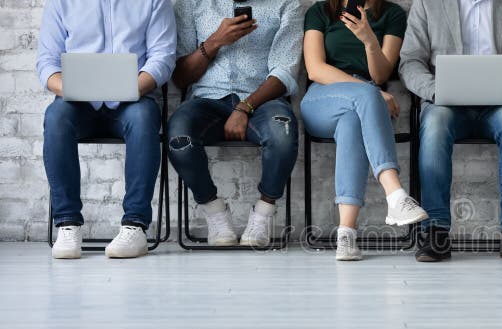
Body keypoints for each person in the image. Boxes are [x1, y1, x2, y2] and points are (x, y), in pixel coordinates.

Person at [399, 0, 502, 263]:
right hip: (448, 104)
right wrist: (436, 91)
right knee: (434, 124)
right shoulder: (427, 4)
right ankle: (436, 232)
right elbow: (410, 61)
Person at [36, 0, 176, 259]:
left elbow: (163, 57)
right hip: (77, 102)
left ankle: (135, 225)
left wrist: (130, 89)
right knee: (55, 117)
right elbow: (47, 62)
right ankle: (67, 223)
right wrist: (71, 89)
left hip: (133, 99)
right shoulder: (60, 2)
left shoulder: (155, 2)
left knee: (145, 116)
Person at [168, 0, 303, 247]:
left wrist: (245, 107)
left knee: (282, 134)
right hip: (206, 101)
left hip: (263, 101)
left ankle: (263, 213)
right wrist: (215, 42)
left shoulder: (287, 4)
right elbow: (180, 77)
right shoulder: (191, 4)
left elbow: (285, 72)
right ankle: (215, 211)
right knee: (178, 138)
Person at [301, 0, 428, 261]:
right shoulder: (320, 11)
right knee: (365, 96)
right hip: (323, 98)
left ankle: (346, 234)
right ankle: (395, 193)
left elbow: (380, 75)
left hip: (367, 104)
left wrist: (370, 40)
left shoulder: (392, 14)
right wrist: (370, 92)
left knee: (351, 121)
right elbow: (315, 69)